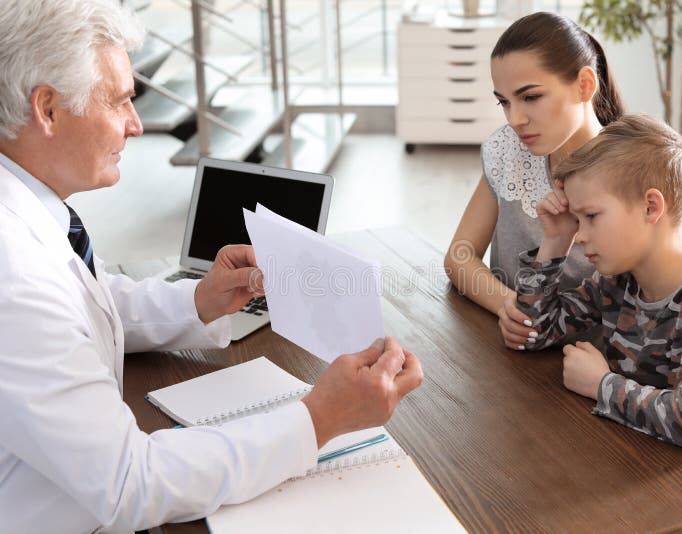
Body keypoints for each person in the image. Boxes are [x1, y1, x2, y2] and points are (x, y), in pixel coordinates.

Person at [0, 1, 423, 531]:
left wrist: (200, 299)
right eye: (120, 101)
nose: (135, 125)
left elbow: (84, 299)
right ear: (47, 108)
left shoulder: (28, 209)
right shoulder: (13, 273)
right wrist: (321, 418)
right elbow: (132, 483)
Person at [443, 12, 682, 350]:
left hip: (611, 371)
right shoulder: (508, 151)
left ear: (585, 85)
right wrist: (507, 306)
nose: (515, 119)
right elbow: (460, 256)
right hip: (523, 353)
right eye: (504, 101)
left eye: (530, 97)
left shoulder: (645, 166)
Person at [515, 114, 682, 475]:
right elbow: (532, 330)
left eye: (591, 216)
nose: (580, 235)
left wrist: (602, 386)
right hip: (640, 460)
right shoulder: (621, 280)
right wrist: (554, 242)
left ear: (651, 207)